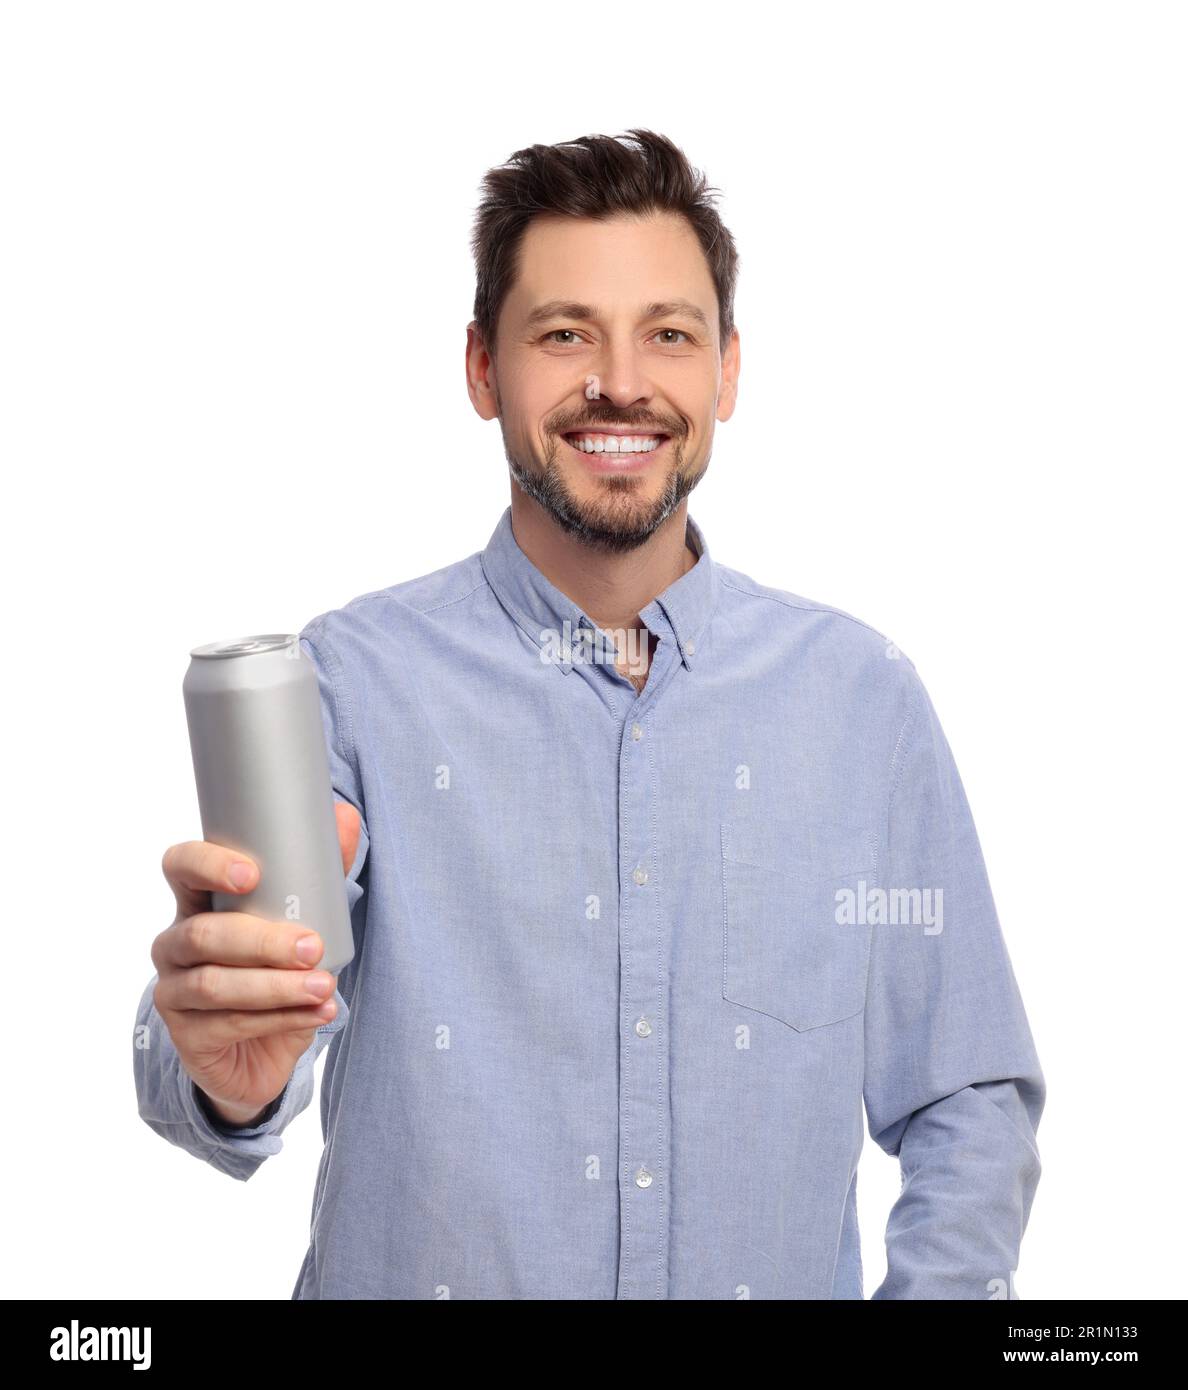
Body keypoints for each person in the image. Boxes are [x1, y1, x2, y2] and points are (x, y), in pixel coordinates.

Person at [135, 129, 1044, 1300]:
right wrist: (226, 1069)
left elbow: (964, 1090)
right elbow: (227, 1044)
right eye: (565, 333)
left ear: (725, 371)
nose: (621, 381)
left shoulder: (863, 700)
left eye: (668, 333)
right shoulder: (353, 680)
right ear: (480, 369)